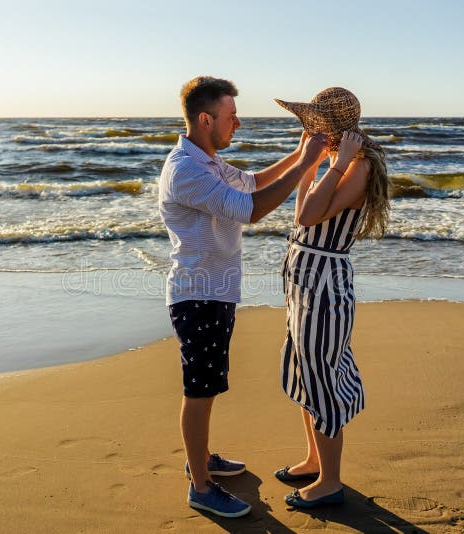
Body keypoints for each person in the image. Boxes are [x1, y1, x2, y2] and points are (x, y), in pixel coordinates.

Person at [158, 76, 328, 518]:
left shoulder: (209, 160)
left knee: (209, 385)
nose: (239, 123)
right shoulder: (186, 169)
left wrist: (300, 153)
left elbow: (253, 183)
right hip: (197, 294)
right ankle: (200, 485)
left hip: (215, 292)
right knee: (199, 390)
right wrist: (303, 162)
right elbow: (249, 210)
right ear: (205, 118)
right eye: (231, 116)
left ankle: (202, 456)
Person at [272, 87, 391, 508]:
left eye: (315, 122)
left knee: (321, 374)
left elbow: (309, 216)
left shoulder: (358, 164)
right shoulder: (340, 161)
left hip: (324, 281)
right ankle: (313, 461)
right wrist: (310, 166)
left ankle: (331, 482)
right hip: (304, 275)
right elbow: (303, 207)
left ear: (331, 125)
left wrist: (335, 164)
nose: (310, 128)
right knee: (305, 368)